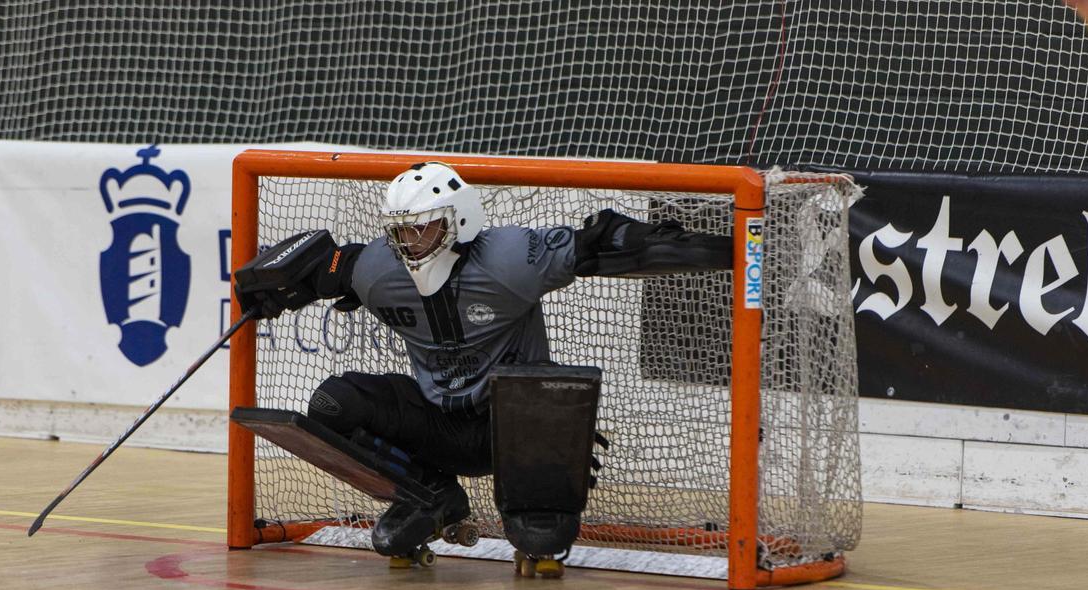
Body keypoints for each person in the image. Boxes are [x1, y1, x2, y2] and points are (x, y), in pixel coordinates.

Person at [234, 161, 730, 561]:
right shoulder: (378, 271)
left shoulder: (512, 257)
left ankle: (543, 498)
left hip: (513, 429)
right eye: (400, 233)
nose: (409, 246)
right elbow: (327, 266)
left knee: (541, 528)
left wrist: (726, 249)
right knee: (330, 405)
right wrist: (265, 289)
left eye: (422, 230)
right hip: (437, 427)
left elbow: (602, 243)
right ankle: (428, 494)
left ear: (458, 223)